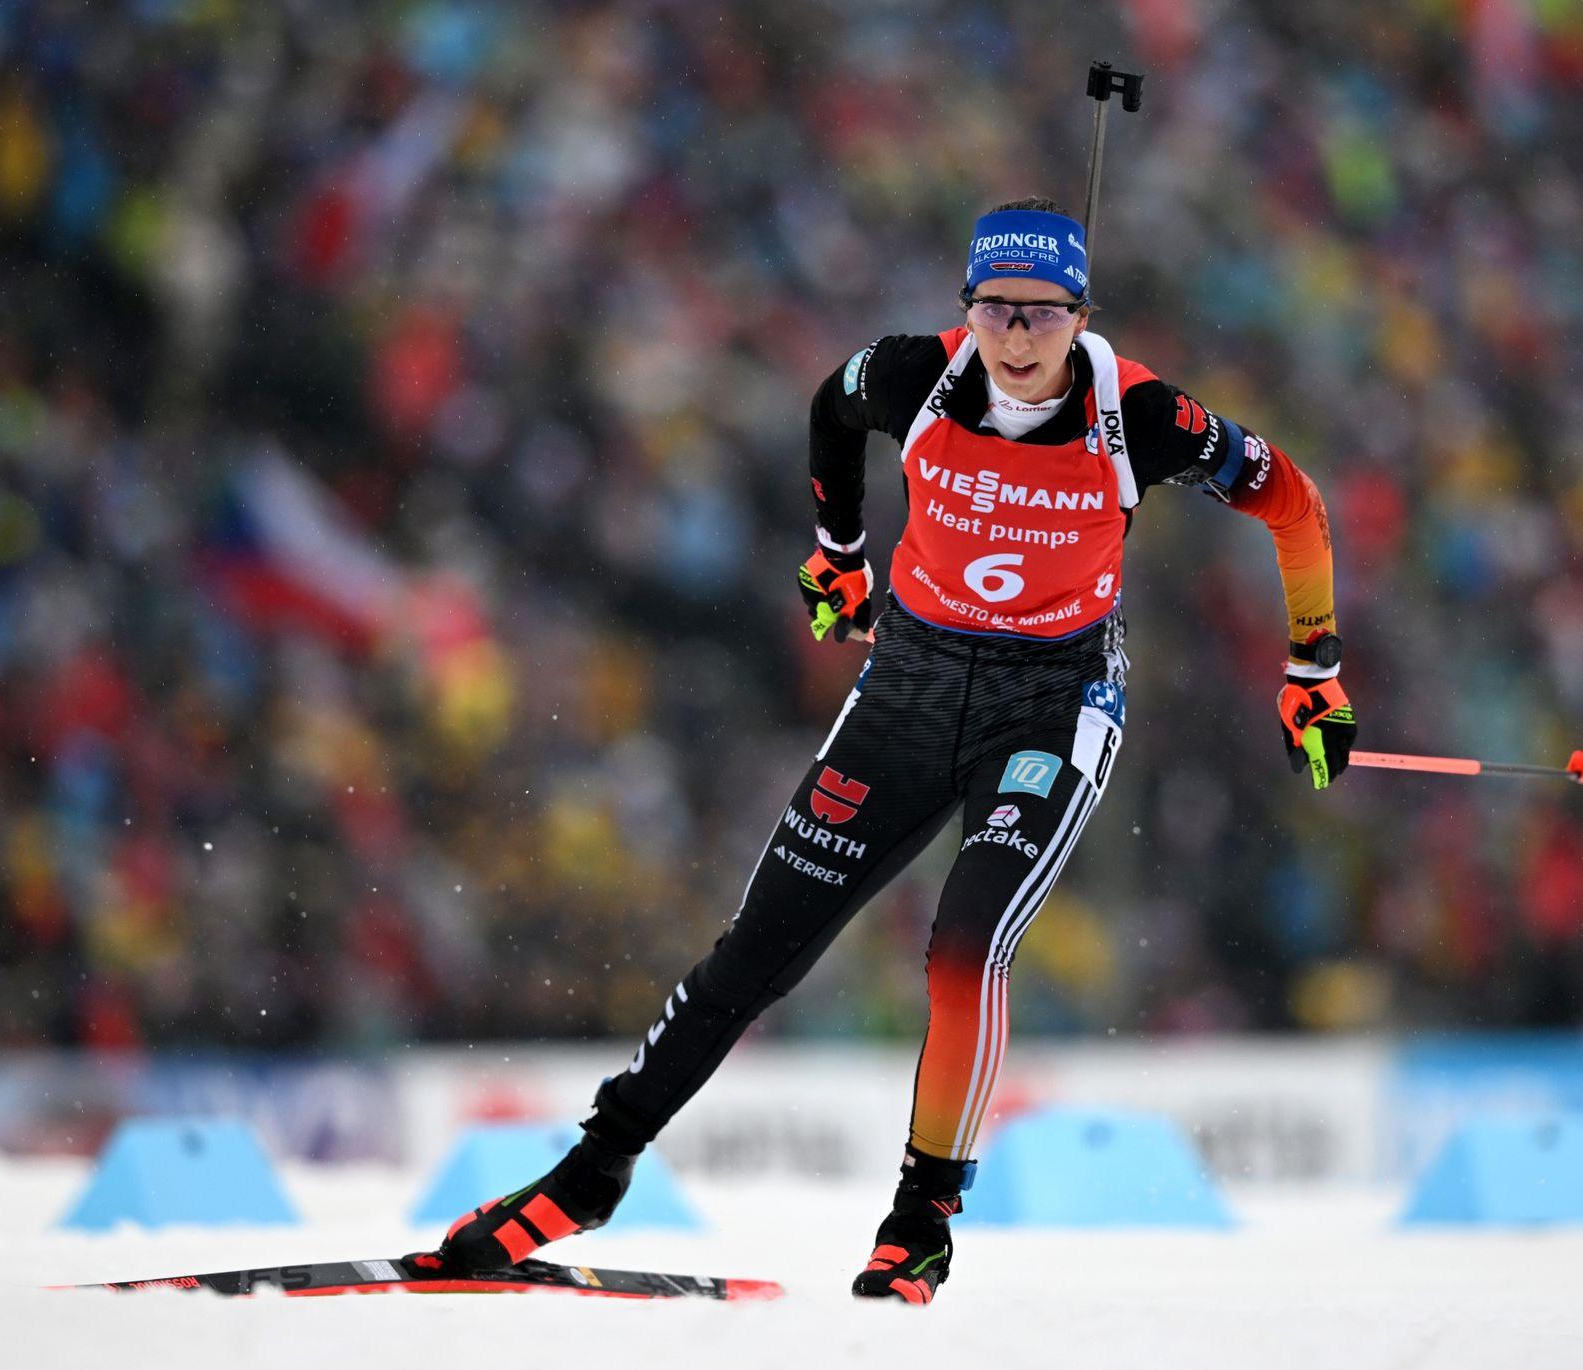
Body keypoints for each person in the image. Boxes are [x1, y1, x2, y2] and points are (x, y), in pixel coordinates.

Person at [416, 198, 1357, 1303]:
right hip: (906, 687)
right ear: (966, 307)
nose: (1017, 337)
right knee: (756, 953)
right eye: (998, 309)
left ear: (1078, 317)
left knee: (962, 948)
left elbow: (1293, 504)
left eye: (1043, 316)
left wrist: (1311, 670)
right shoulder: (913, 375)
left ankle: (920, 1217)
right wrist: (838, 556)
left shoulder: (1141, 415)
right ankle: (592, 1168)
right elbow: (827, 408)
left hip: (1048, 707)